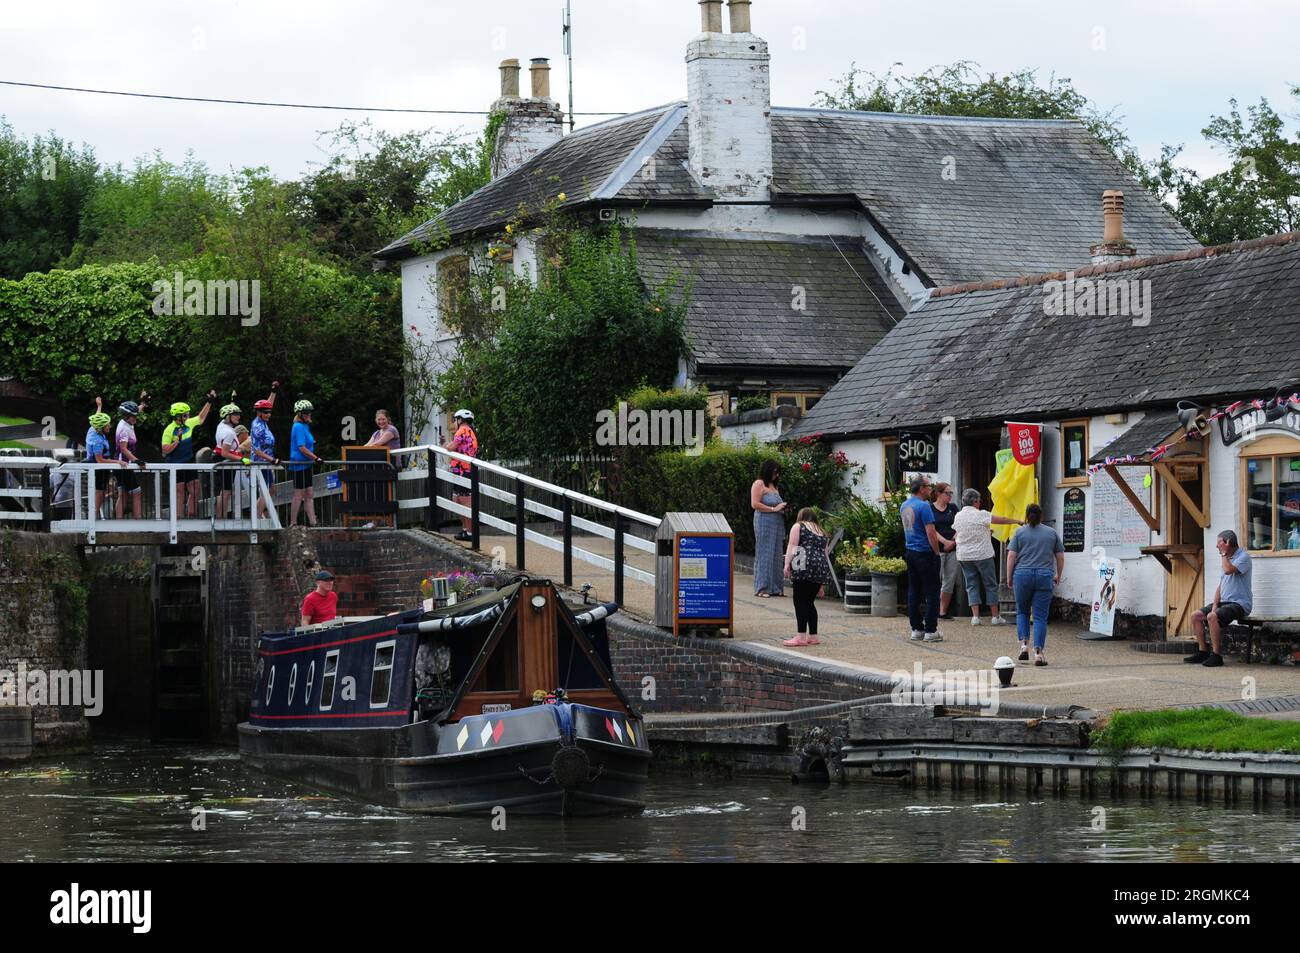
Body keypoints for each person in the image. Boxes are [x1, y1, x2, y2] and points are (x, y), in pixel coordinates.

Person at [953, 488, 1022, 626]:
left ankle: (976, 617)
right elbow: (1000, 520)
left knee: (971, 584)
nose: (980, 503)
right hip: (982, 554)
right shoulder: (981, 514)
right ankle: (995, 617)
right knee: (990, 584)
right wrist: (1017, 521)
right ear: (975, 501)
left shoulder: (958, 516)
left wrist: (985, 532)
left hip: (964, 556)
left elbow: (963, 532)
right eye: (979, 501)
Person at [1006, 503, 1064, 666]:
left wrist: (1009, 577)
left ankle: (1024, 646)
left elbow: (1011, 556)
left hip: (1022, 575)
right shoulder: (1051, 533)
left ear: (1026, 516)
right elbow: (1060, 556)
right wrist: (1058, 574)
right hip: (1044, 576)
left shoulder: (1019, 532)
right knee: (1039, 617)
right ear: (1041, 516)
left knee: (1022, 612)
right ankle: (1038, 653)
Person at [1185, 530, 1252, 668]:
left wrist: (1223, 554)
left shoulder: (1243, 557)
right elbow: (1221, 585)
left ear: (1228, 543)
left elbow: (1228, 570)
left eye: (1219, 543)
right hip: (1224, 601)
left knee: (1212, 617)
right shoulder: (1226, 560)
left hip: (1239, 604)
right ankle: (1203, 652)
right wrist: (1215, 604)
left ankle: (1217, 656)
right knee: (1196, 615)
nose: (1217, 546)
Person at [901, 474, 944, 642]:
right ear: (921, 489)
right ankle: (930, 630)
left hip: (910, 550)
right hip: (925, 552)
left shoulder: (904, 505)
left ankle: (916, 628)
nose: (930, 489)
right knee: (932, 592)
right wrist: (936, 552)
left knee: (914, 591)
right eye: (927, 486)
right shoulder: (924, 506)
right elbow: (930, 532)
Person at [161, 390, 216, 518]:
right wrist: (176, 441)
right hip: (175, 464)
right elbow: (165, 450)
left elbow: (201, 418)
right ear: (177, 417)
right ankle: (178, 519)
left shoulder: (188, 423)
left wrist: (209, 402)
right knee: (180, 492)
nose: (187, 417)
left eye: (187, 415)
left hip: (188, 461)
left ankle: (192, 515)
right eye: (185, 415)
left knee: (195, 489)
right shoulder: (169, 430)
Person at [782, 507, 832, 647]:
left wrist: (787, 564)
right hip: (820, 567)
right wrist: (821, 583)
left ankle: (801, 637)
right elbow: (825, 554)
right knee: (809, 602)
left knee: (799, 601)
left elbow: (793, 546)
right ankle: (813, 636)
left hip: (803, 563)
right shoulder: (822, 531)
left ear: (801, 516)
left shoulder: (798, 526)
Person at [750, 458, 787, 597]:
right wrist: (773, 508)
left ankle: (776, 587)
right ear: (768, 470)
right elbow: (754, 504)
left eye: (778, 473)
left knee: (776, 554)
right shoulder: (759, 483)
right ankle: (762, 588)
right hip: (764, 521)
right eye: (775, 472)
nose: (777, 475)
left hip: (777, 523)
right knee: (764, 552)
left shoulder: (774, 486)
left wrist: (782, 508)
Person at [84, 399, 125, 517]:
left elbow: (97, 417)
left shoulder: (93, 429)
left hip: (101, 466)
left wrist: (99, 406)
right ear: (101, 427)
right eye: (107, 425)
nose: (109, 426)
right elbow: (100, 460)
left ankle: (94, 514)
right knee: (100, 492)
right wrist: (118, 461)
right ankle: (94, 516)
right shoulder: (97, 441)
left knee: (102, 491)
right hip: (98, 467)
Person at [445, 409, 478, 541]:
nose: (453, 423)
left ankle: (469, 532)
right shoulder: (470, 431)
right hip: (463, 470)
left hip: (463, 471)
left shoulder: (462, 430)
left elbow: (451, 447)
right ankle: (466, 530)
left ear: (460, 420)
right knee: (458, 500)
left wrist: (446, 445)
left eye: (455, 420)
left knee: (463, 502)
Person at [249, 384, 281, 519]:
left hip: (267, 462)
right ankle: (256, 519)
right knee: (266, 492)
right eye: (266, 412)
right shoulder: (258, 427)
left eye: (270, 412)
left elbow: (268, 404)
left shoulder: (263, 422)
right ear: (259, 413)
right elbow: (256, 450)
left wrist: (273, 392)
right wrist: (272, 460)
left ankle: (258, 517)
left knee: (270, 490)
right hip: (261, 462)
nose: (269, 414)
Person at [289, 399, 322, 527]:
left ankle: (313, 522)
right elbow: (301, 447)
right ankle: (293, 523)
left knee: (309, 493)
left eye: (310, 412)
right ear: (300, 414)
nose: (309, 414)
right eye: (306, 413)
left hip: (306, 464)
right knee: (299, 494)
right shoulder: (297, 427)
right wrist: (316, 458)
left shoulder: (305, 426)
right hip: (299, 464)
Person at [114, 398, 148, 520]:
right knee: (137, 492)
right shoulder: (124, 429)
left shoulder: (127, 422)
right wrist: (136, 460)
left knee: (122, 494)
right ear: (126, 416)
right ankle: (137, 522)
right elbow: (123, 449)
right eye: (133, 416)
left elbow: (136, 410)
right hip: (124, 465)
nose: (136, 418)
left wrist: (142, 403)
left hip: (122, 465)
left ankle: (118, 523)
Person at [931, 482, 960, 619]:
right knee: (936, 579)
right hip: (937, 550)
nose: (949, 496)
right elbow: (931, 529)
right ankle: (933, 609)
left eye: (951, 493)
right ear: (938, 494)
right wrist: (945, 542)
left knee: (949, 580)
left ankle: (942, 611)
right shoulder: (930, 509)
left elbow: (960, 525)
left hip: (952, 550)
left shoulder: (953, 508)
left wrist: (953, 541)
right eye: (947, 493)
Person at [213, 403, 244, 519]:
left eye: (238, 415)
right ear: (227, 417)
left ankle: (221, 517)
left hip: (221, 459)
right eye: (235, 415)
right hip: (226, 460)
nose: (238, 417)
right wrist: (242, 459)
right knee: (226, 492)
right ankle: (221, 519)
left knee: (224, 491)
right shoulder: (229, 432)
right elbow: (225, 453)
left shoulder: (221, 425)